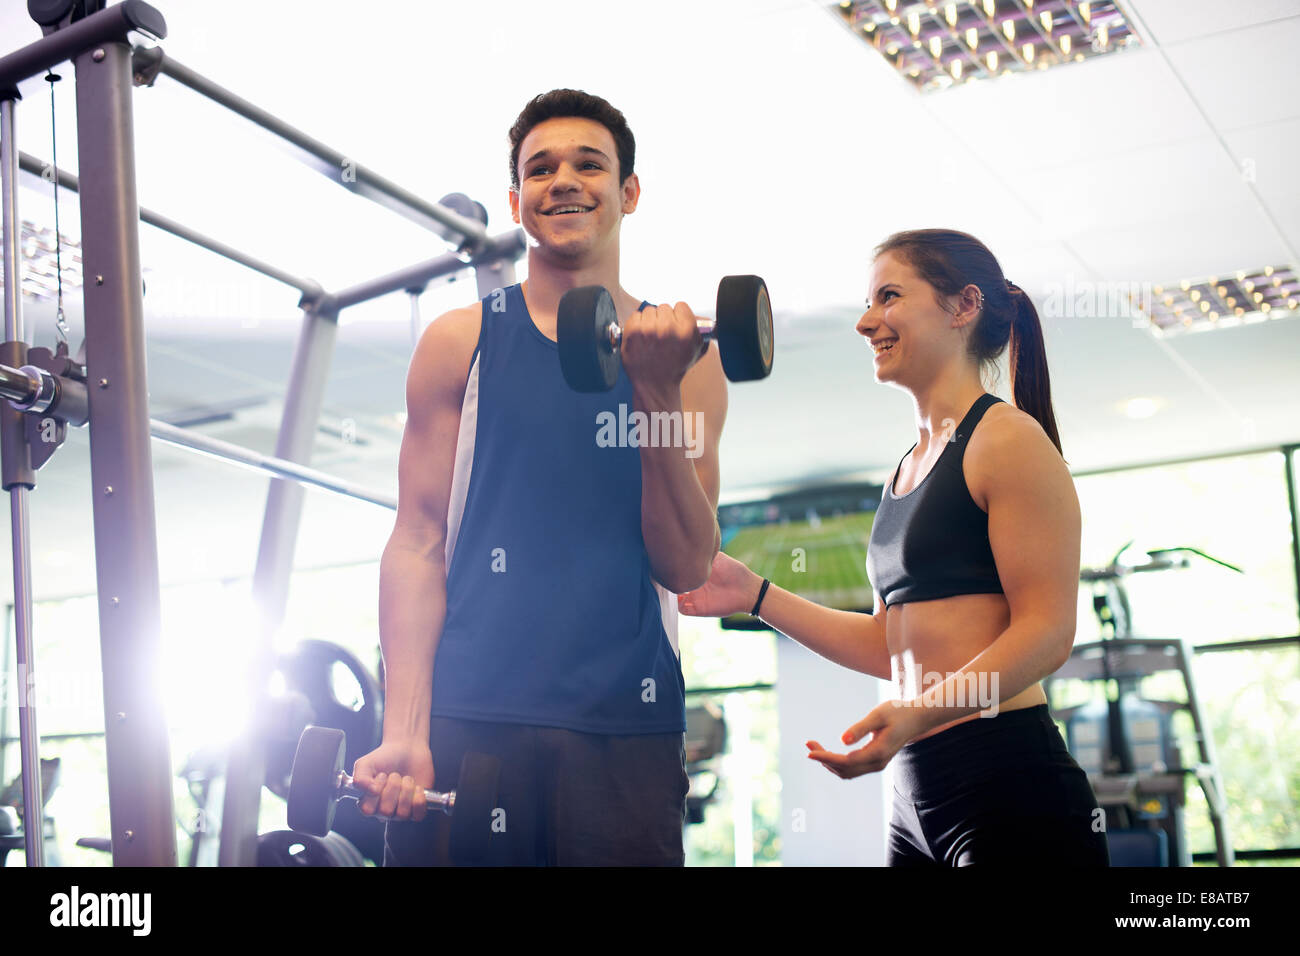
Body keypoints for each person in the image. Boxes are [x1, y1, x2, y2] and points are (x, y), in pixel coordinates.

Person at [351, 89, 728, 866]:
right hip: (469, 721)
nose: (564, 180)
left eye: (589, 164)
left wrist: (654, 387)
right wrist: (405, 729)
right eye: (541, 168)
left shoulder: (691, 358)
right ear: (516, 200)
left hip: (625, 726)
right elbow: (417, 541)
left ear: (628, 192)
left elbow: (686, 565)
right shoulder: (460, 342)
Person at [679, 229, 1109, 866]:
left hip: (1008, 783)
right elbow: (891, 643)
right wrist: (757, 595)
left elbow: (1047, 634)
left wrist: (917, 714)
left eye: (888, 297)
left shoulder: (1007, 440)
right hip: (917, 791)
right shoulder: (906, 468)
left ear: (964, 306)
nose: (865, 321)